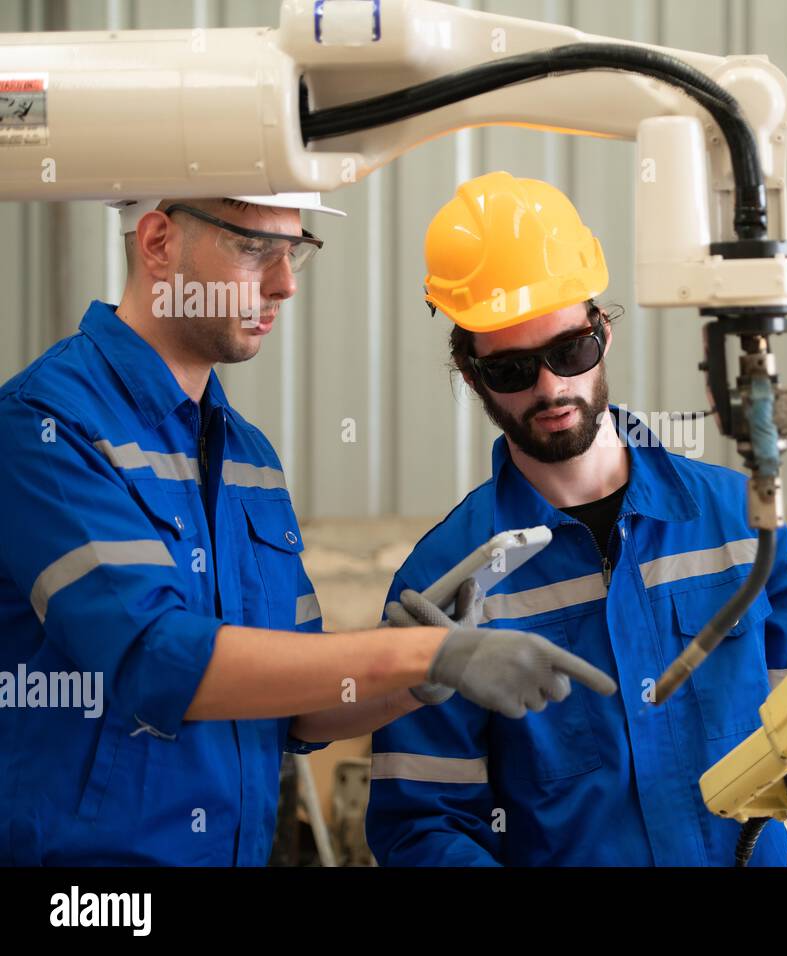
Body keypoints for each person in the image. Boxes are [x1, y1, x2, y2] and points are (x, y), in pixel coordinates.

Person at [0, 193, 613, 866]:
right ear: (156, 243)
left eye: (294, 252)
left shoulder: (248, 457)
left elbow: (299, 712)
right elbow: (152, 659)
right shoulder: (47, 425)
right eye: (254, 248)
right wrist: (416, 657)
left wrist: (417, 676)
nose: (285, 284)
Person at [368, 171, 787, 866]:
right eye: (513, 371)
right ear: (470, 373)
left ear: (602, 330)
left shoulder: (739, 523)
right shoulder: (444, 581)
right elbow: (421, 825)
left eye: (570, 352)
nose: (552, 388)